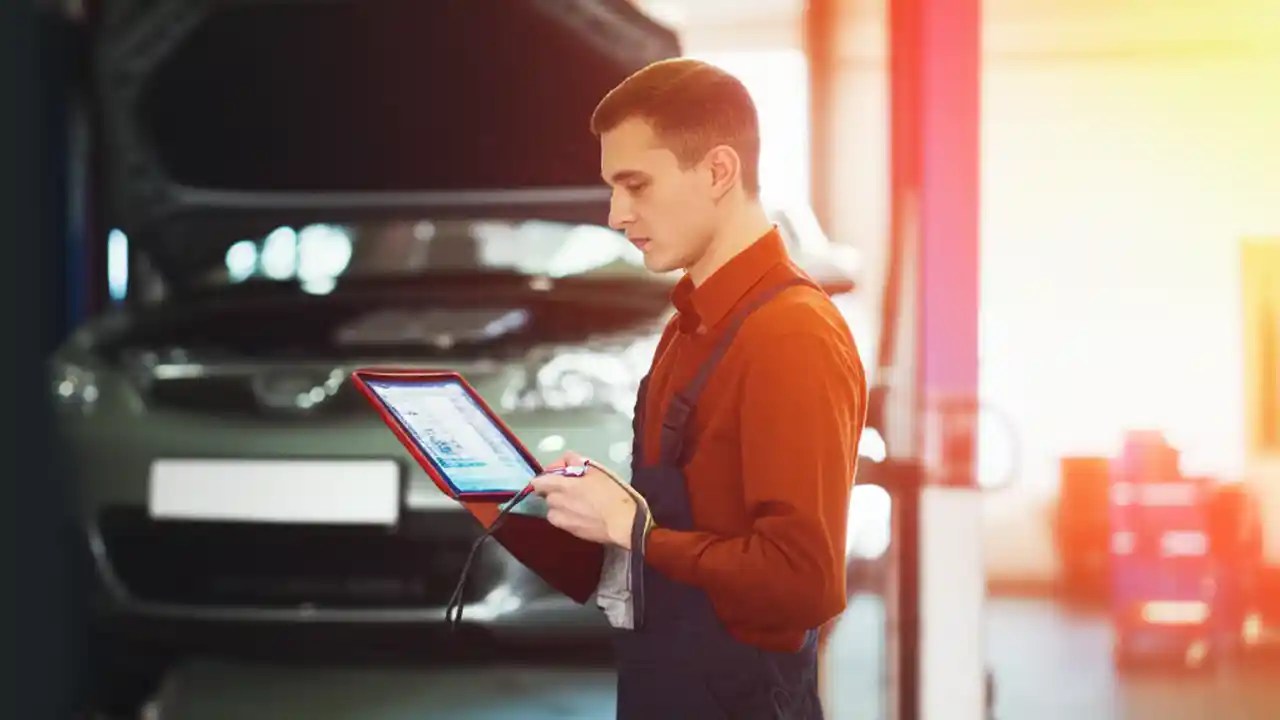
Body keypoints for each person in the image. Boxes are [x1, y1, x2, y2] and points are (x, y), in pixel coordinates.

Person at [530, 58, 867, 719]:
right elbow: (686, 521)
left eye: (636, 186)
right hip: (664, 687)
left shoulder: (791, 334)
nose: (616, 215)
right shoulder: (685, 327)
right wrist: (588, 511)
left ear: (718, 171)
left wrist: (638, 531)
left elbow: (802, 584)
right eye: (611, 189)